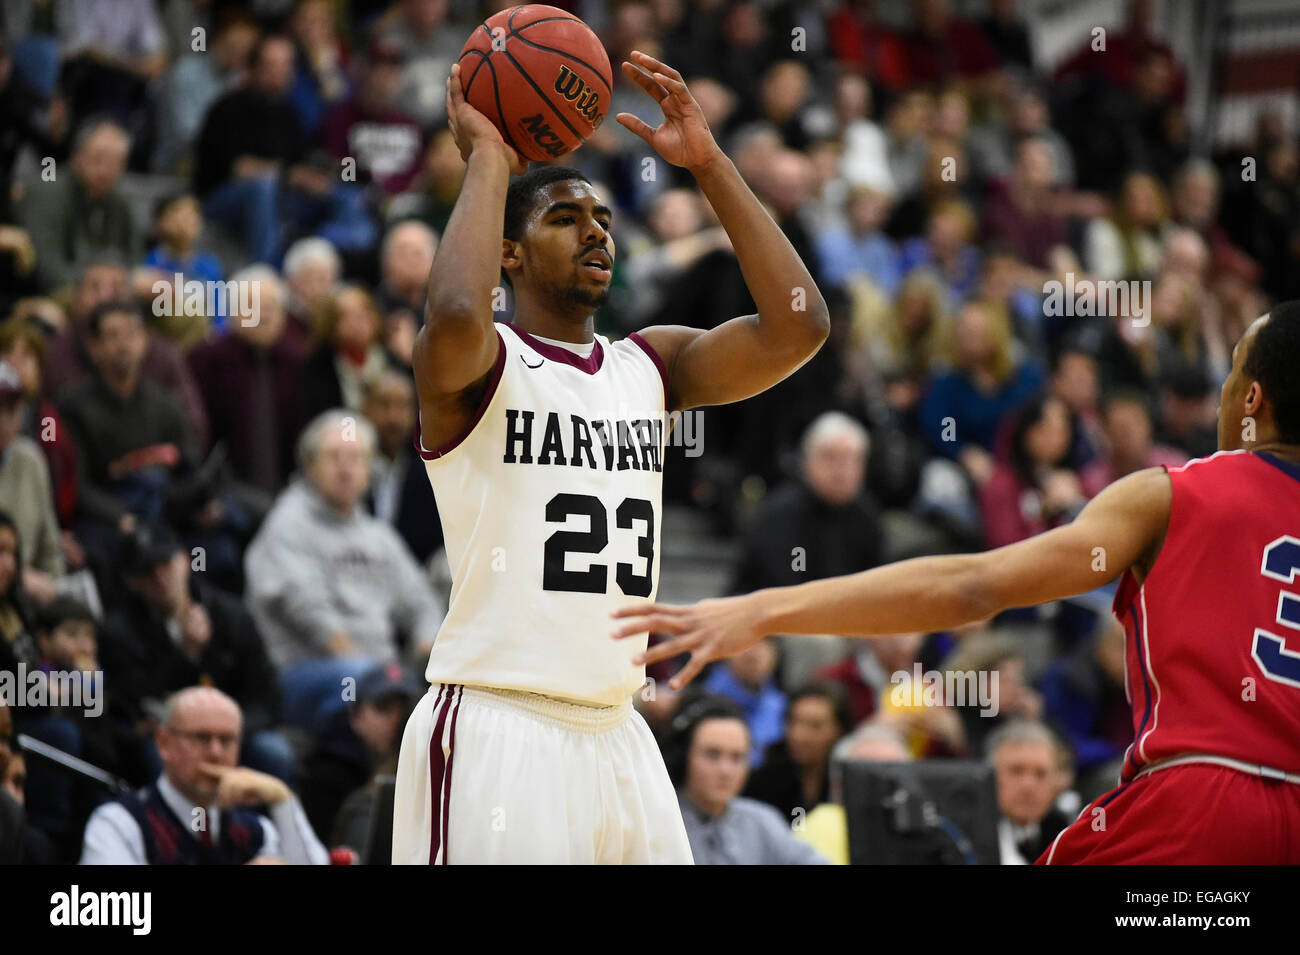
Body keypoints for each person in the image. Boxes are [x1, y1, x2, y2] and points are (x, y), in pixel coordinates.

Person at [614, 302, 1300, 864]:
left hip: (1203, 800)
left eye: (1232, 367)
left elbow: (974, 586)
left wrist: (767, 608)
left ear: (1253, 396)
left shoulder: (1176, 493)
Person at [392, 50, 829, 864]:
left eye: (603, 219)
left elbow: (799, 325)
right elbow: (454, 309)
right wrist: (490, 156)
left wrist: (711, 165)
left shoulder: (649, 365)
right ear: (509, 254)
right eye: (564, 218)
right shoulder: (480, 365)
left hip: (621, 730)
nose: (595, 229)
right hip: (498, 719)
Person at [244, 409, 444, 728]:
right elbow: (309, 612)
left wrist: (425, 650)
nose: (346, 468)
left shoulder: (378, 536)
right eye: (334, 457)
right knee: (363, 680)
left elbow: (422, 602)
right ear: (309, 465)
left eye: (356, 457)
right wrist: (382, 678)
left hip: (379, 673)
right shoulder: (287, 526)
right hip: (310, 674)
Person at [80, 687, 328, 864]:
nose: (215, 752)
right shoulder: (119, 823)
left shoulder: (256, 831)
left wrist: (281, 799)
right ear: (164, 743)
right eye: (201, 738)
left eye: (227, 740)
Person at [673, 698, 827, 864]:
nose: (725, 770)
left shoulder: (761, 821)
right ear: (684, 757)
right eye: (712, 755)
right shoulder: (662, 821)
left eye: (737, 757)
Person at [987, 720, 1072, 865]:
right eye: (1016, 771)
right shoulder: (966, 836)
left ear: (1056, 783)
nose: (1028, 786)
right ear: (990, 776)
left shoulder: (1067, 834)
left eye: (1040, 774)